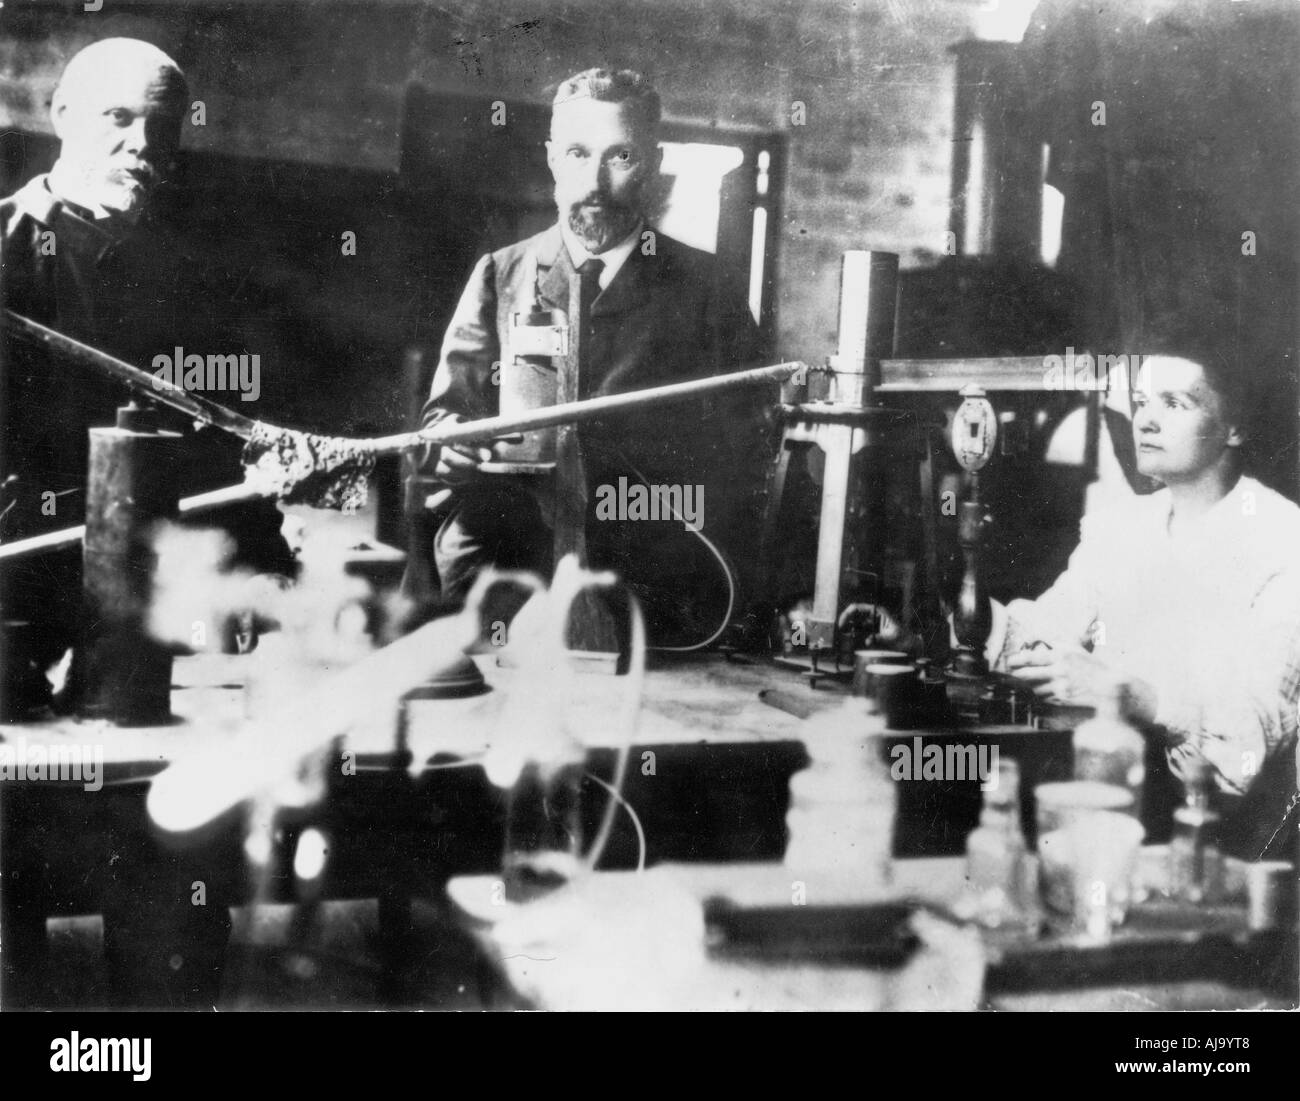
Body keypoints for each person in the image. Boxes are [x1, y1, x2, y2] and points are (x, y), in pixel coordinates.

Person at [417, 67, 769, 643]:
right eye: (579, 154)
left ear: (654, 165)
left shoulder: (707, 291)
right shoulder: (499, 274)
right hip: (502, 578)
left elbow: (750, 448)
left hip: (650, 588)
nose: (596, 182)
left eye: (621, 156)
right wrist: (451, 446)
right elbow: (443, 418)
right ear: (553, 159)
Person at [0, 38, 292, 714]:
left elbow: (226, 442)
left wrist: (269, 568)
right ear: (63, 114)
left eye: (162, 127)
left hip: (147, 602)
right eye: (119, 118)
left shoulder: (192, 280)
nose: (143, 145)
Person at [991, 324, 1300, 857]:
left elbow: (1254, 730)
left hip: (1220, 836)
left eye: (1176, 403)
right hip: (1109, 794)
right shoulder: (1124, 526)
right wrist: (966, 614)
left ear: (1236, 428)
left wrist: (1132, 694)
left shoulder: (1281, 538)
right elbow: (1046, 628)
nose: (1146, 420)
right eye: (1141, 401)